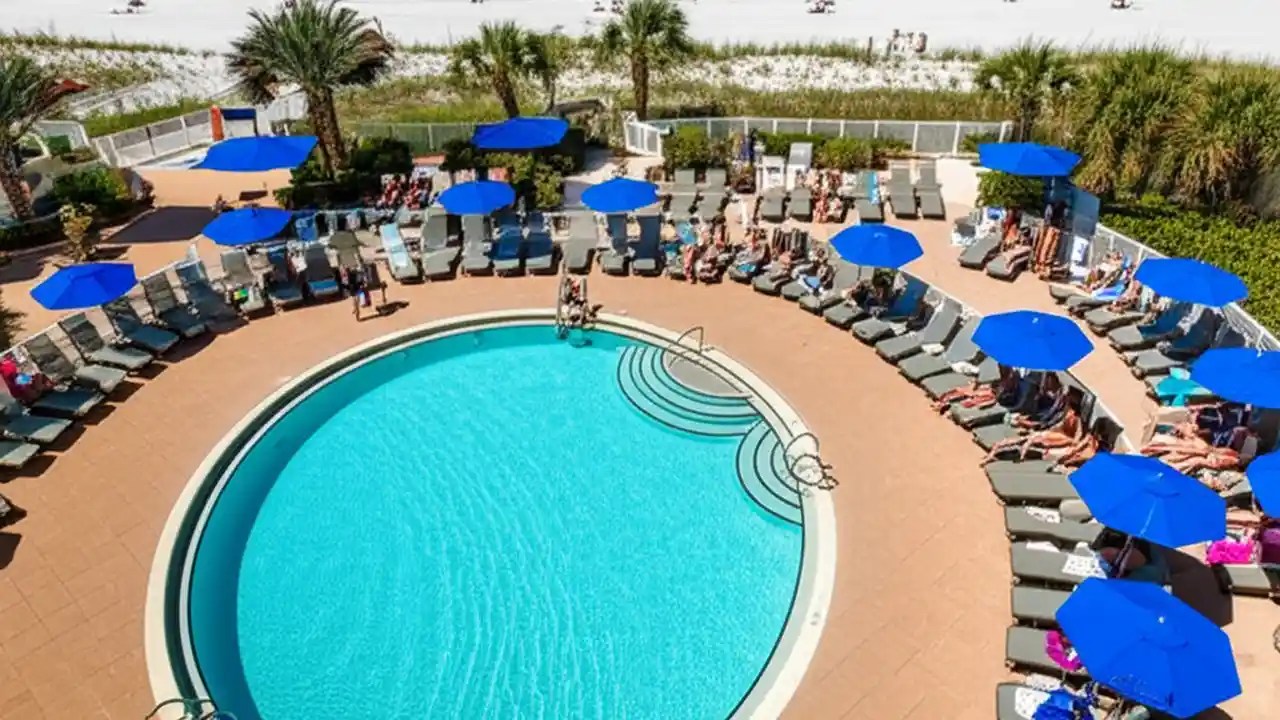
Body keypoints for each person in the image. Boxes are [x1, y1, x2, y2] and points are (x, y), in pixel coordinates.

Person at [981, 387, 1089, 464]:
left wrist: (1054, 440)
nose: (1067, 398)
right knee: (1025, 439)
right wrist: (1049, 432)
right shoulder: (1067, 411)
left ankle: (1015, 454)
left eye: (1069, 396)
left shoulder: (1078, 419)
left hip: (1061, 437)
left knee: (1031, 441)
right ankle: (995, 451)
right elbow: (1058, 425)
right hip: (1055, 434)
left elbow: (1074, 440)